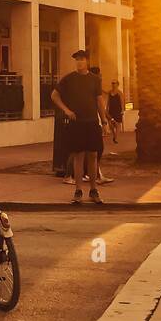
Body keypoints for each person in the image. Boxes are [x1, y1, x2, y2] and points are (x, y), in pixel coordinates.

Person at [51, 49, 108, 205]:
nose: (79, 62)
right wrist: (66, 110)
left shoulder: (94, 80)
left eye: (82, 59)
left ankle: (93, 190)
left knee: (93, 156)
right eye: (77, 59)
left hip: (91, 123)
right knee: (78, 156)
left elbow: (99, 101)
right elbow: (54, 95)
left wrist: (104, 122)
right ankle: (78, 191)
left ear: (87, 61)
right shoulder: (69, 79)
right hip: (77, 123)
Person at [106, 81, 124, 145]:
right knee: (111, 125)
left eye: (114, 83)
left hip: (118, 110)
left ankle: (116, 138)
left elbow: (122, 102)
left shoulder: (119, 93)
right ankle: (114, 135)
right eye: (112, 83)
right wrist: (106, 109)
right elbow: (108, 102)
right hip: (111, 110)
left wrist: (122, 110)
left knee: (117, 125)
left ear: (117, 84)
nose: (113, 84)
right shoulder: (109, 92)